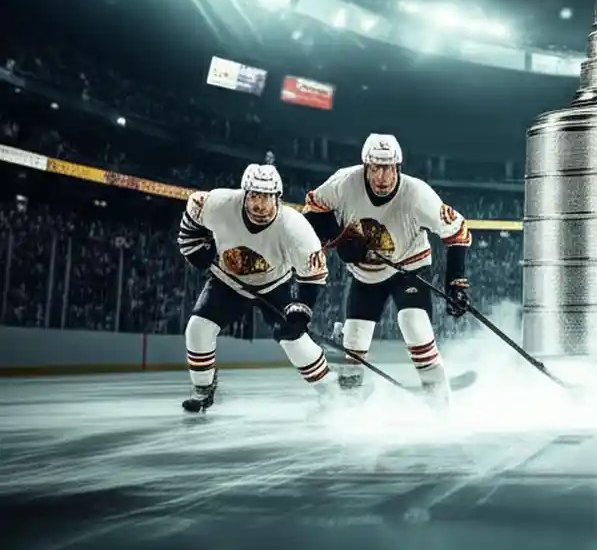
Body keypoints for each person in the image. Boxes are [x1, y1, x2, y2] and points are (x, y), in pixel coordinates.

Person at [302, 133, 472, 408]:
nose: (383, 176)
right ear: (365, 167)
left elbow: (458, 232)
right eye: (376, 168)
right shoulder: (345, 182)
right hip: (364, 275)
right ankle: (348, 402)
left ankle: (440, 401)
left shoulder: (417, 194)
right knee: (355, 340)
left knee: (414, 325)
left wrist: (456, 281)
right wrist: (340, 238)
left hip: (408, 267)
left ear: (398, 168)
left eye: (389, 168)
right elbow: (311, 209)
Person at [176, 163, 332, 413]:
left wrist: (301, 309)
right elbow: (192, 217)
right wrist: (195, 249)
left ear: (277, 197)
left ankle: (329, 390)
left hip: (275, 285)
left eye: (267, 197)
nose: (259, 205)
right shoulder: (219, 203)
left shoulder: (295, 226)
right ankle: (202, 389)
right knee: (198, 328)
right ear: (244, 194)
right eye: (254, 196)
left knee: (293, 340)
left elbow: (313, 276)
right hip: (227, 282)